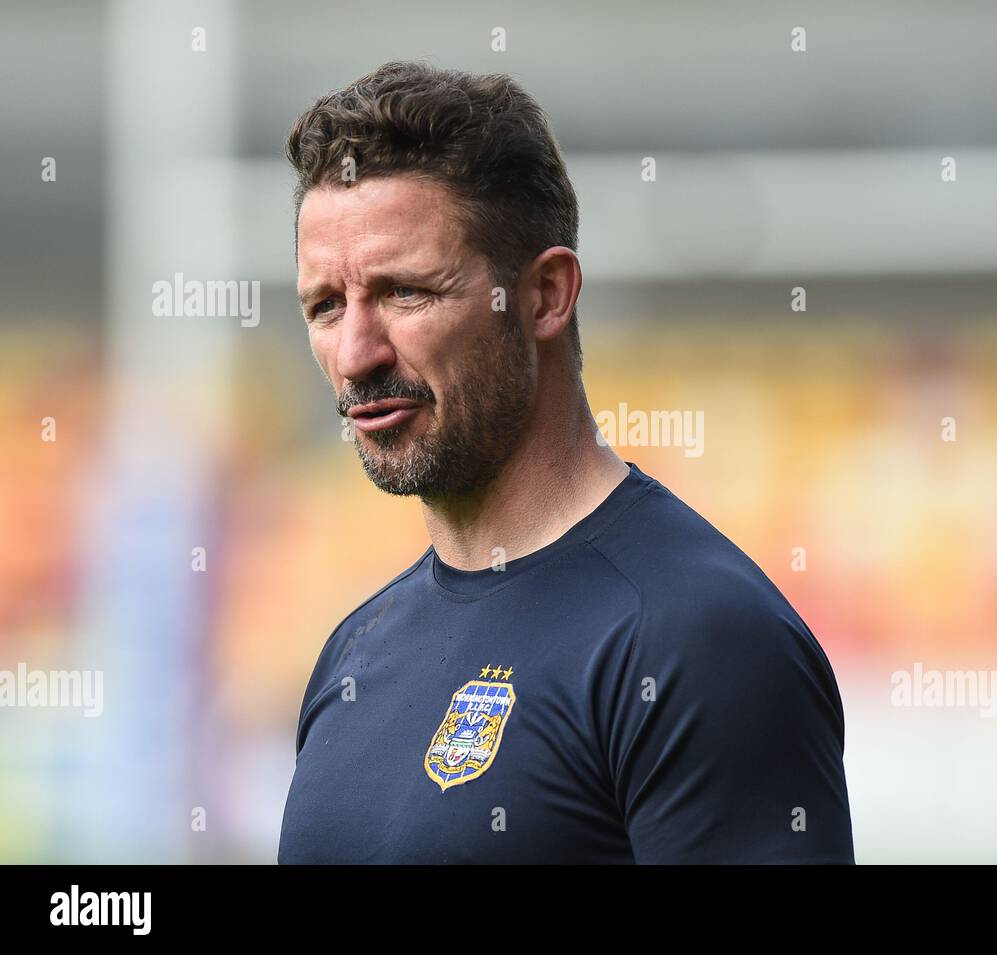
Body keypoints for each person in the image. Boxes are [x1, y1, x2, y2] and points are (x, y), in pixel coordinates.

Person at [277, 61, 854, 863]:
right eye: (326, 306)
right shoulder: (354, 653)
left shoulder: (697, 640)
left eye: (406, 292)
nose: (356, 353)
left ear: (546, 295)